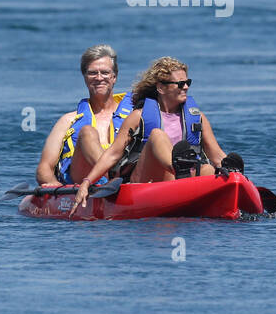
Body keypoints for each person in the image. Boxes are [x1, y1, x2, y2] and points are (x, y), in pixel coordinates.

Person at [71, 57, 236, 213]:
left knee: (208, 169)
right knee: (157, 135)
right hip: (145, 180)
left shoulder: (198, 117)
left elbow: (216, 154)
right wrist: (87, 182)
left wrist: (236, 177)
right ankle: (178, 168)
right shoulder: (138, 116)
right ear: (161, 87)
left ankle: (198, 191)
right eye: (179, 84)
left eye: (187, 82)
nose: (185, 87)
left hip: (181, 182)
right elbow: (113, 154)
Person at [35, 45, 134, 188]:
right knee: (87, 132)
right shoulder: (68, 120)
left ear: (114, 77)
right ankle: (116, 181)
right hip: (82, 179)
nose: (99, 78)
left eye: (105, 72)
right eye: (92, 73)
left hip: (127, 178)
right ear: (85, 77)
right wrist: (57, 190)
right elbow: (44, 169)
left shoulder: (134, 115)